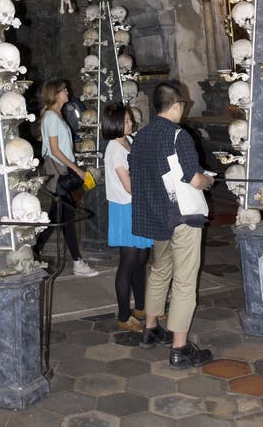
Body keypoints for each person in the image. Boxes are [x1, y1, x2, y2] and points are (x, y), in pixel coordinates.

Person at [129, 81, 214, 368]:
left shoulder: (140, 137)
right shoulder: (179, 136)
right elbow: (193, 177)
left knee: (160, 270)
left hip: (155, 216)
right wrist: (209, 180)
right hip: (182, 217)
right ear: (177, 105)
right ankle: (180, 347)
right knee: (185, 280)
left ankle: (151, 329)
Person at [34, 79, 98, 277]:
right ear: (55, 94)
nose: (67, 92)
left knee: (57, 217)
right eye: (63, 90)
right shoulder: (52, 117)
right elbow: (54, 150)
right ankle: (78, 262)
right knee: (66, 218)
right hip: (60, 172)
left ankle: (34, 251)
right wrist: (76, 169)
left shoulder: (56, 115)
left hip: (62, 171)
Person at [102, 103, 153, 332]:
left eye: (130, 119)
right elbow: (130, 186)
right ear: (114, 124)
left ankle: (140, 307)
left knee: (141, 258)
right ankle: (123, 316)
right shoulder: (114, 148)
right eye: (126, 121)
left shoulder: (129, 142)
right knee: (128, 262)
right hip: (125, 208)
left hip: (136, 206)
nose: (131, 123)